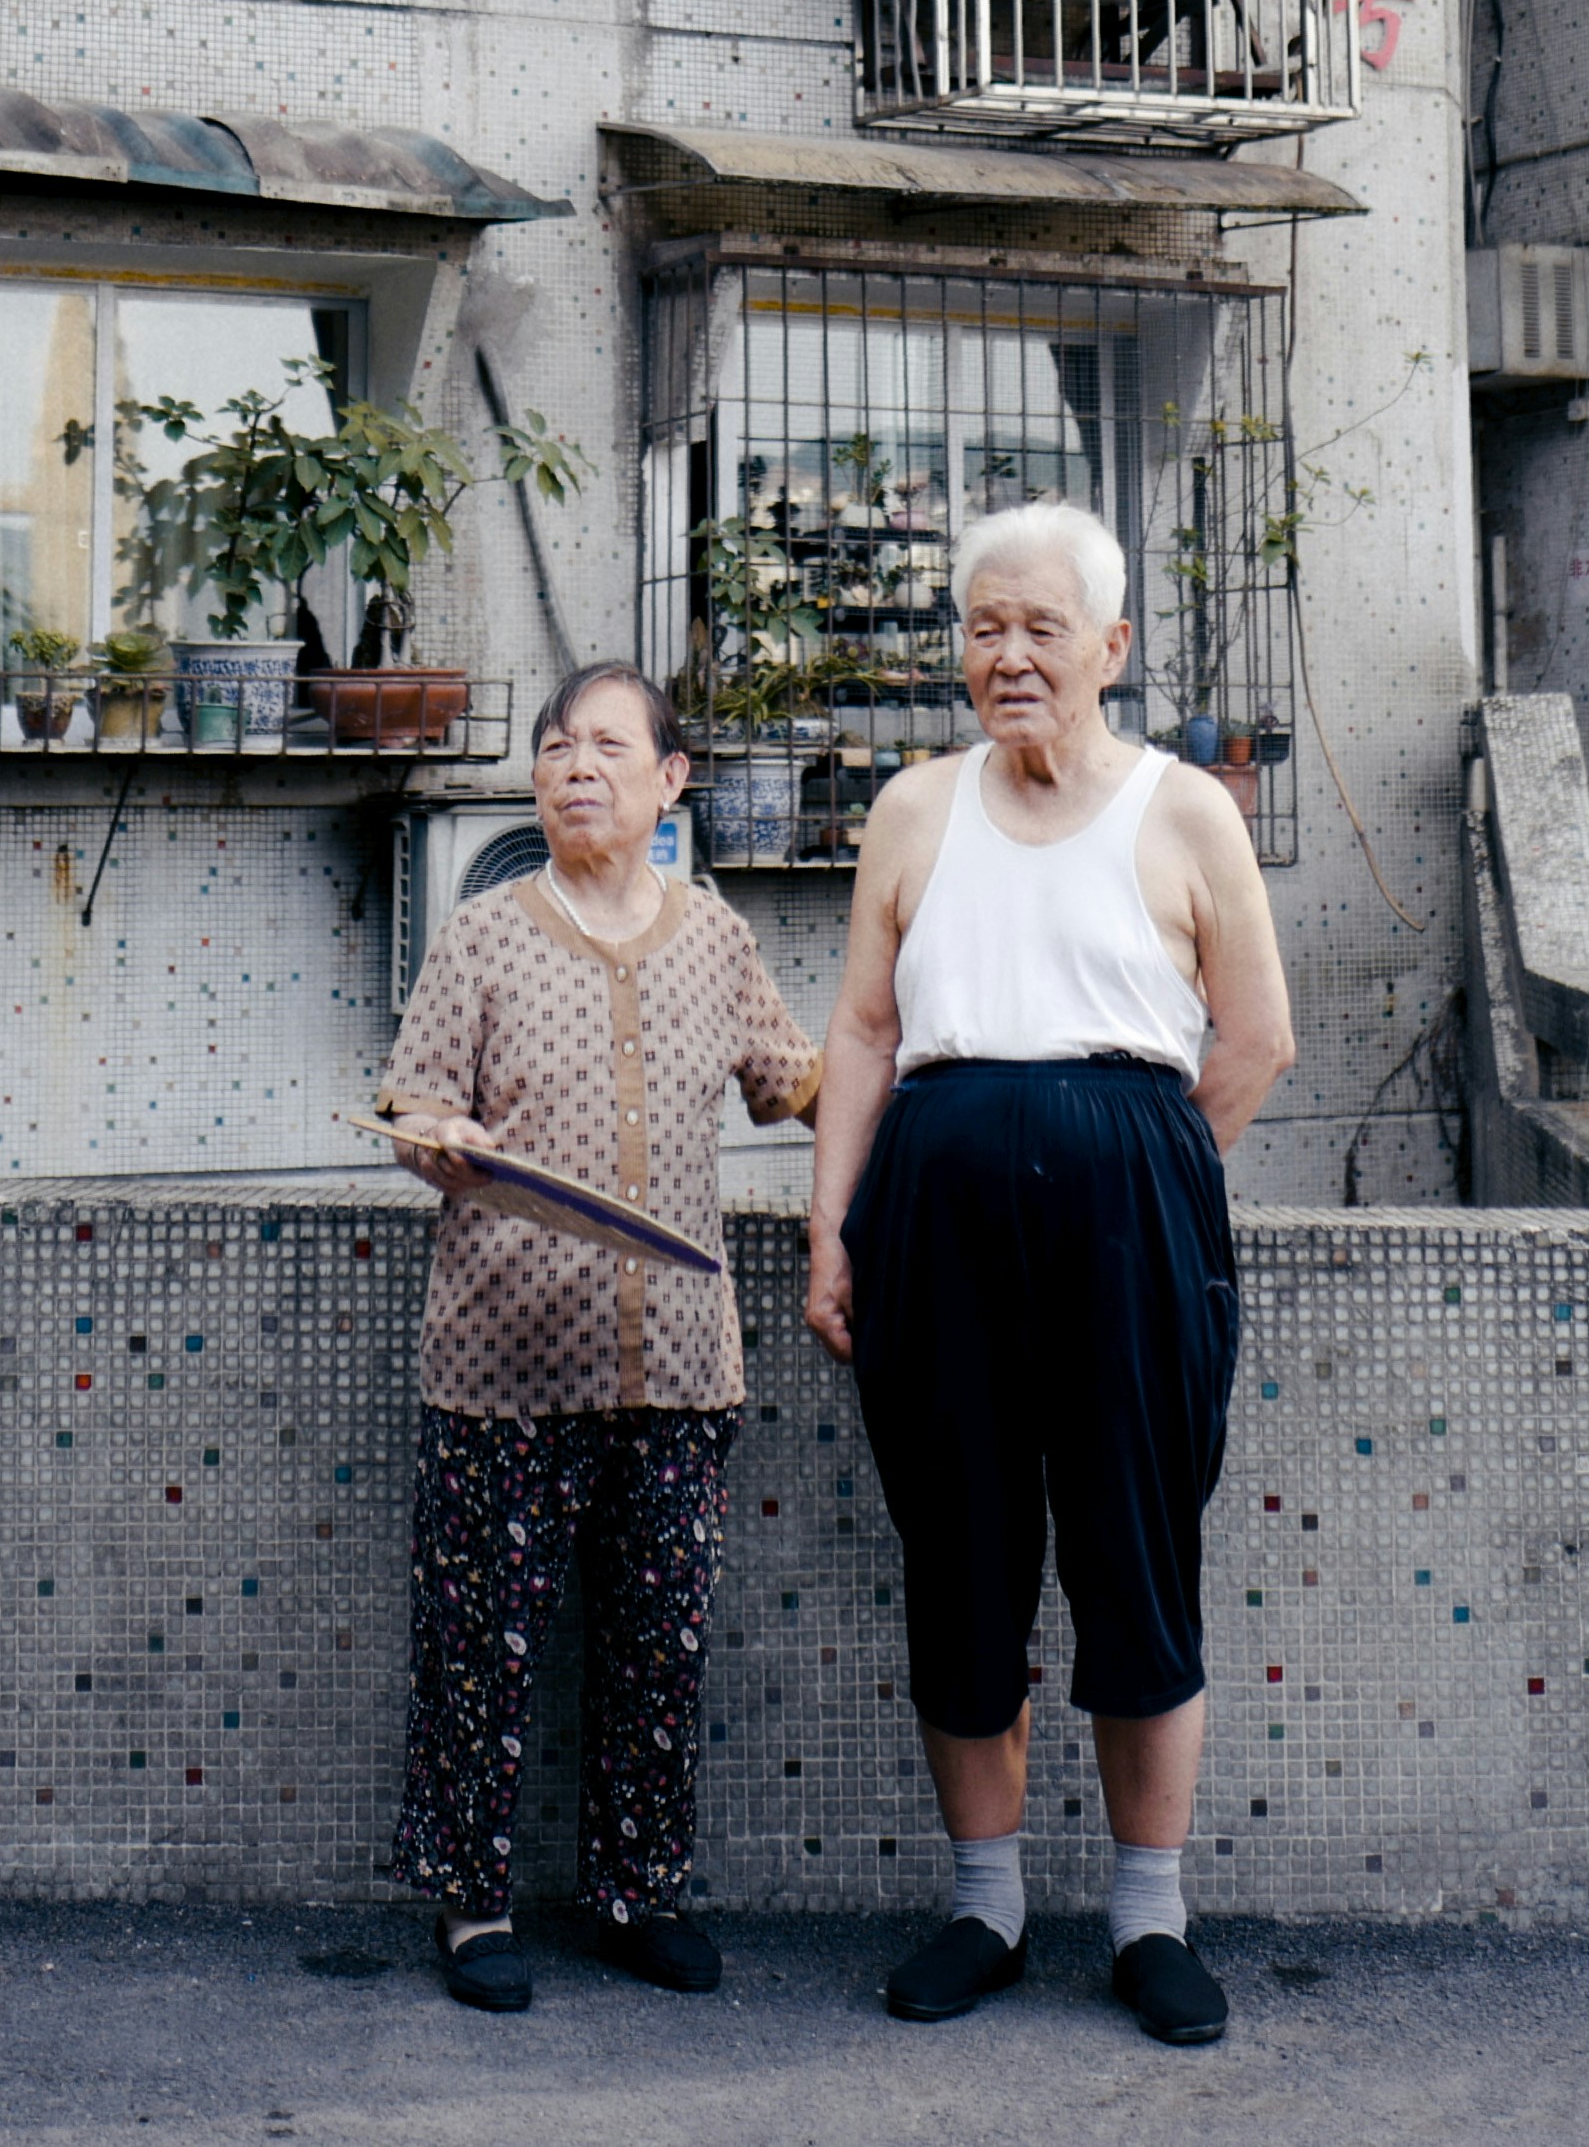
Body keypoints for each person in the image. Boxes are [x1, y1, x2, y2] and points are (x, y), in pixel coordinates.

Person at [804, 497, 1293, 2049]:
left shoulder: (1183, 808)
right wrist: (834, 1223)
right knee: (962, 1548)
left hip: (1130, 1220)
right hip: (935, 1220)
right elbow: (866, 1030)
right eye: (984, 627)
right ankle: (987, 1903)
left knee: (1136, 1552)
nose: (1008, 656)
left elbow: (1259, 1038)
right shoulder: (913, 808)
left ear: (1112, 647)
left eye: (1041, 628)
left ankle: (1151, 1917)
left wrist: (1135, 1165)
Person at [376, 662, 822, 2012]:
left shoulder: (714, 935)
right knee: (479, 1642)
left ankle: (641, 1895)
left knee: (657, 1640)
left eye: (608, 746)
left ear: (670, 779)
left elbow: (798, 1081)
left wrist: (916, 1080)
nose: (576, 767)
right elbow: (411, 1105)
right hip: (499, 1365)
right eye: (556, 747)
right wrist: (435, 1142)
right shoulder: (485, 935)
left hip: (678, 1368)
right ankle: (473, 1903)